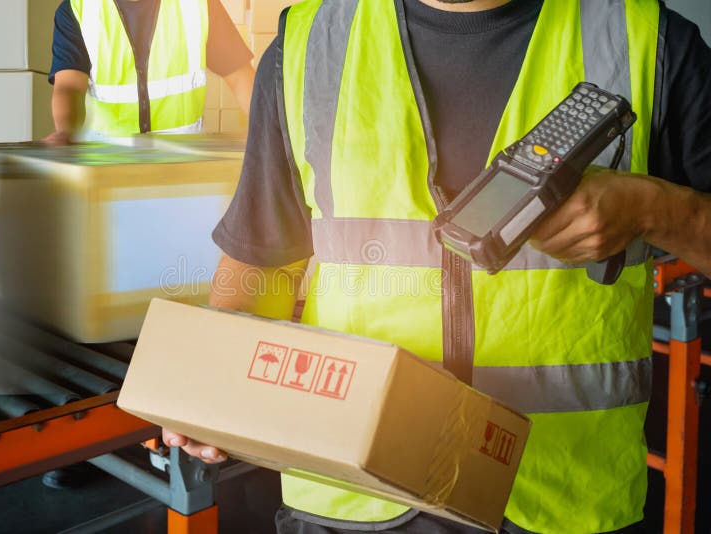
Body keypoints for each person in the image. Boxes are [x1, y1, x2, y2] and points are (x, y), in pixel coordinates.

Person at [164, 0, 711, 532]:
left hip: (561, 496)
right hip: (350, 496)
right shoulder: (310, 40)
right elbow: (261, 264)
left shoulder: (649, 39)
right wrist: (213, 385)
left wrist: (658, 209)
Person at [46, 0, 254, 142]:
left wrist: (273, 137)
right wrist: (66, 132)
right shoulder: (79, 9)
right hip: (108, 169)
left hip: (184, 169)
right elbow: (69, 87)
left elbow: (240, 78)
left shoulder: (196, 5)